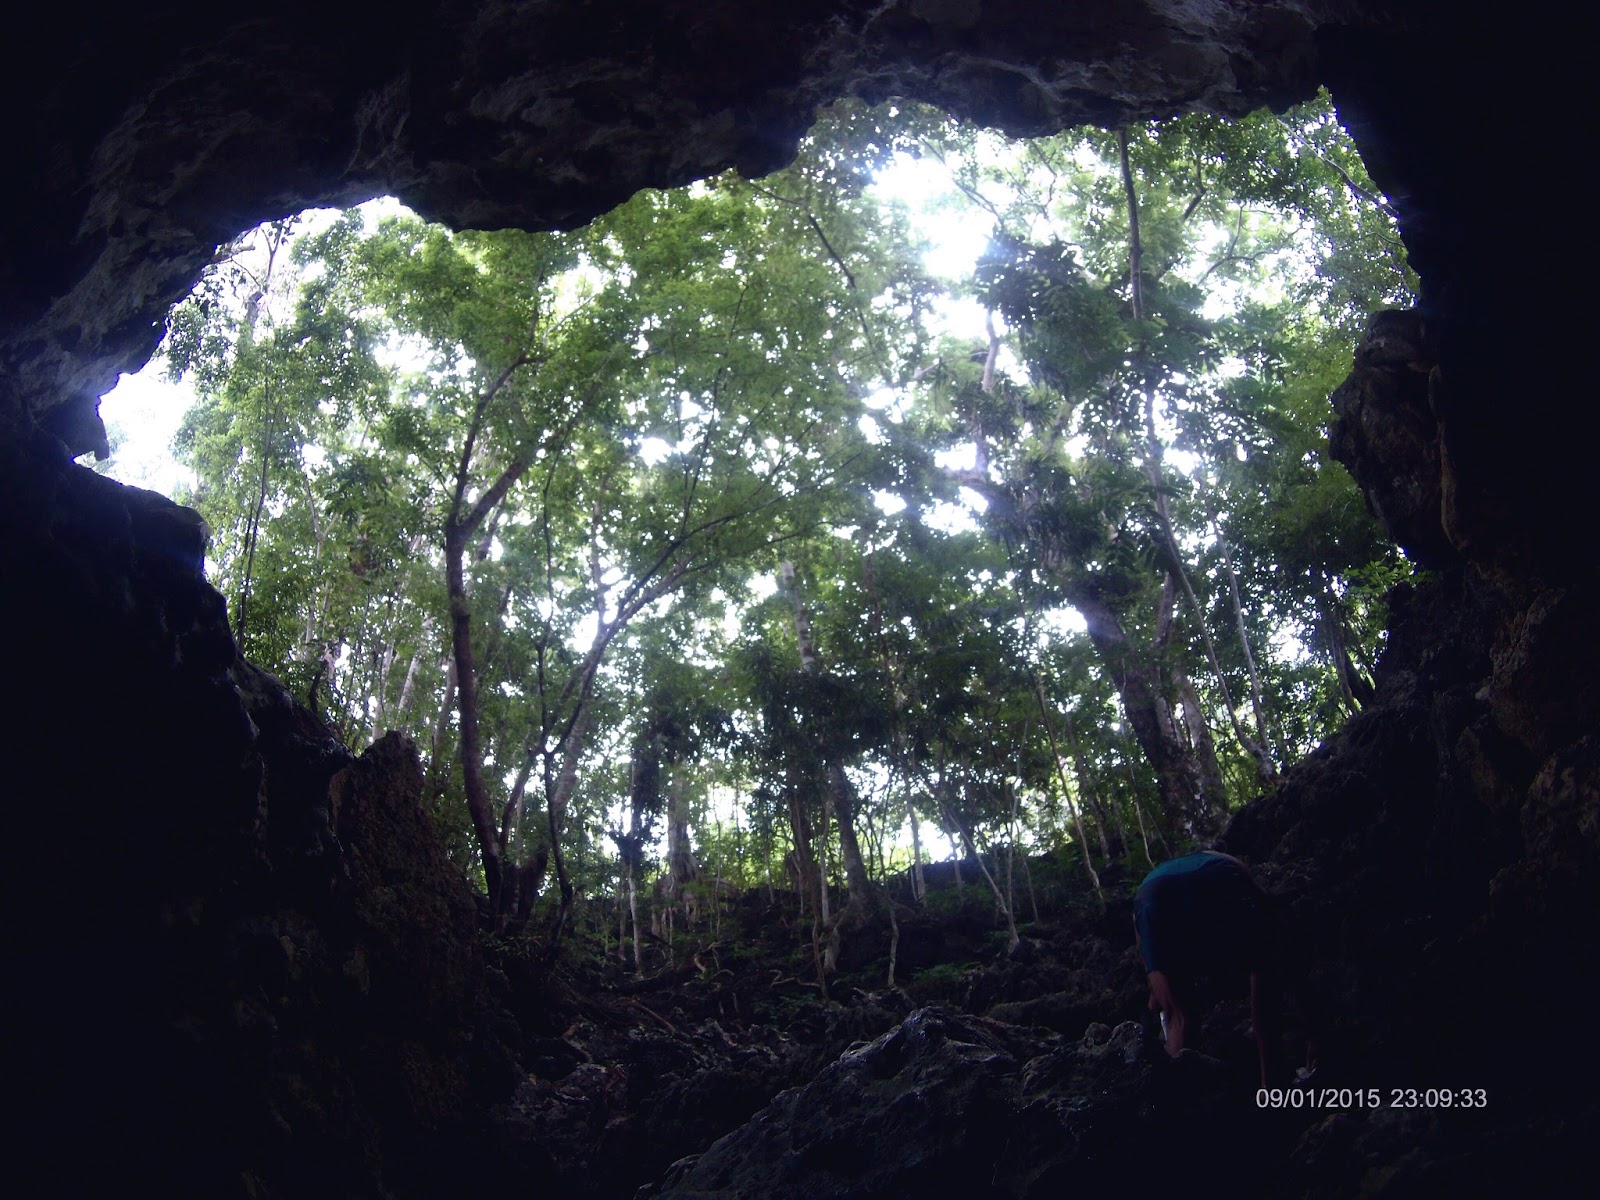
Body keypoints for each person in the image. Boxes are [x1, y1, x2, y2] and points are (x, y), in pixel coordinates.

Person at [1133, 850, 1314, 1086]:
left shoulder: (1146, 901)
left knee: (1178, 1018)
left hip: (1152, 898)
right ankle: (1271, 1087)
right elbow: (1283, 964)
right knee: (1266, 987)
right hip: (1220, 880)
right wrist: (1314, 1033)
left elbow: (1155, 973)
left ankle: (1176, 1104)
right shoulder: (1232, 870)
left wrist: (1160, 1007)